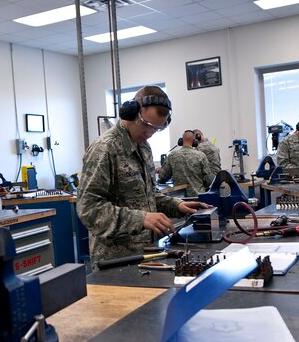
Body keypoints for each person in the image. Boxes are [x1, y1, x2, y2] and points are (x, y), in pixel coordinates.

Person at [77, 86, 209, 268]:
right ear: (130, 112)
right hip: (116, 262)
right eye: (147, 125)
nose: (150, 133)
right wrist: (141, 219)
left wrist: (177, 205)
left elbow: (149, 195)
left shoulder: (144, 147)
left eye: (157, 128)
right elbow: (88, 210)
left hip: (148, 255)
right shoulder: (104, 149)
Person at [158, 130, 212, 196]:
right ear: (194, 141)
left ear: (181, 141)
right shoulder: (201, 156)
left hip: (179, 200)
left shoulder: (172, 156)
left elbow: (163, 178)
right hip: (198, 198)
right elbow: (209, 180)